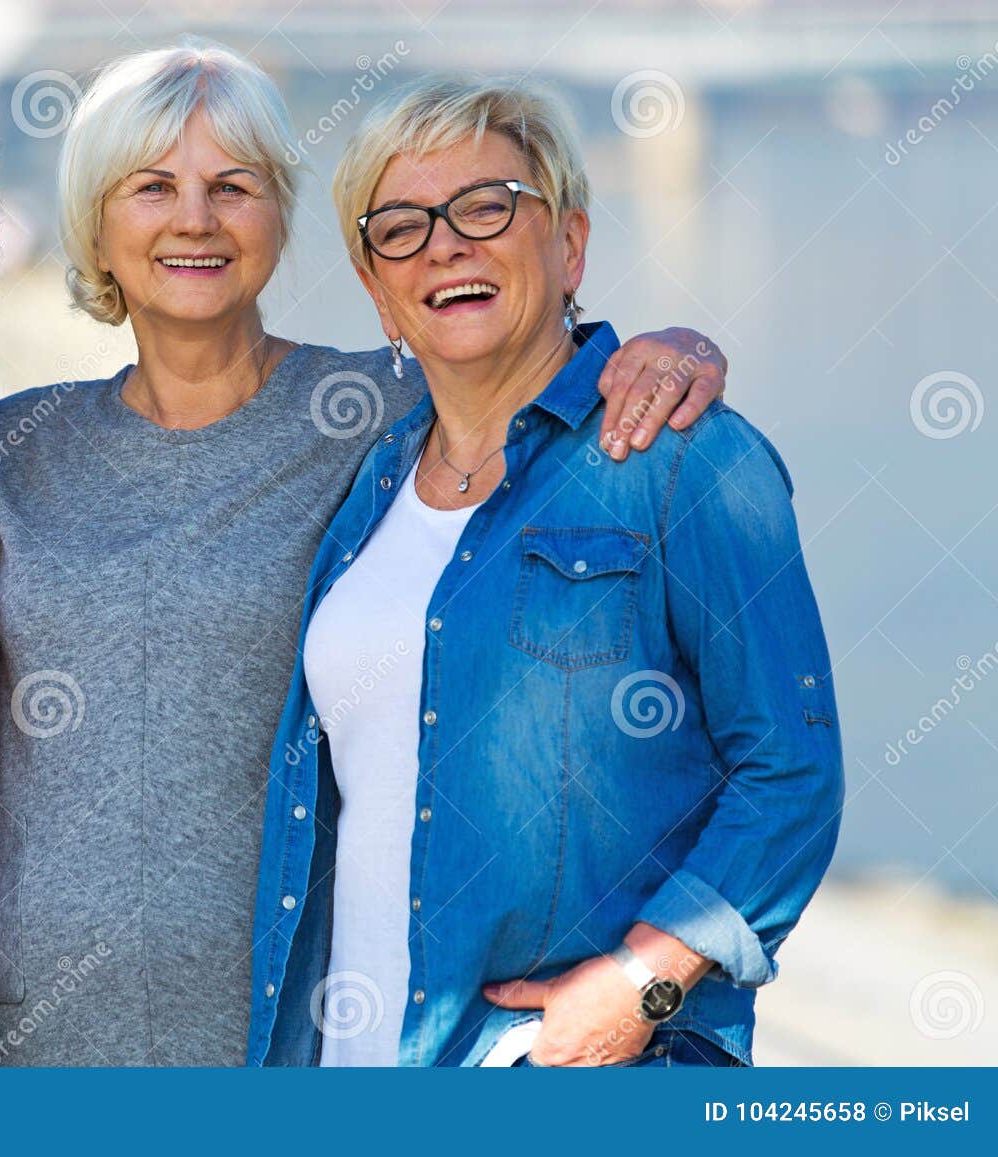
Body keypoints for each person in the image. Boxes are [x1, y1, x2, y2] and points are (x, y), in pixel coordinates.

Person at [0, 42, 729, 1066]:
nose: (194, 218)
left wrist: (667, 348)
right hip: (8, 1038)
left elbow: (522, 369)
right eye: (151, 185)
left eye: (233, 186)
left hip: (291, 1030)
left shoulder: (380, 415)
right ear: (96, 227)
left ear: (277, 219)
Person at [247, 77, 844, 1068]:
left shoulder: (683, 459)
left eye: (486, 207)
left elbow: (790, 770)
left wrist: (646, 980)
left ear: (569, 244)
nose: (444, 245)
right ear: (375, 287)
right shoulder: (367, 480)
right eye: (401, 227)